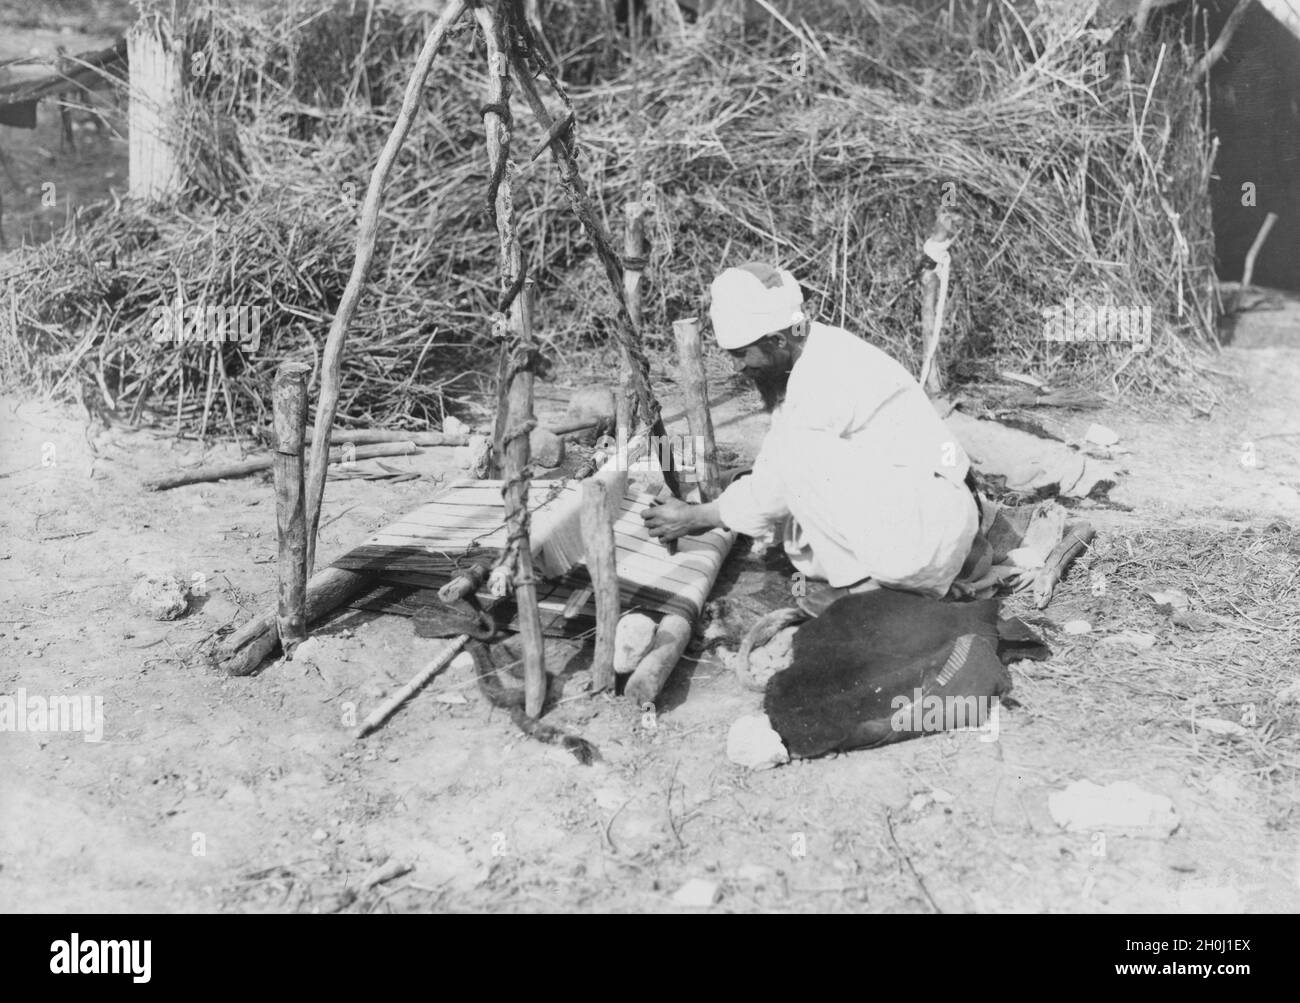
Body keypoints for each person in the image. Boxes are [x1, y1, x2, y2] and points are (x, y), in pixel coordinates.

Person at [641, 261, 979, 600]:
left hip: (929, 534)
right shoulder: (817, 348)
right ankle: (873, 573)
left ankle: (866, 593)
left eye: (742, 355)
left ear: (775, 340)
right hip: (930, 512)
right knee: (791, 509)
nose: (738, 367)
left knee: (794, 471)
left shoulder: (822, 377)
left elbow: (778, 482)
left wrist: (697, 517)